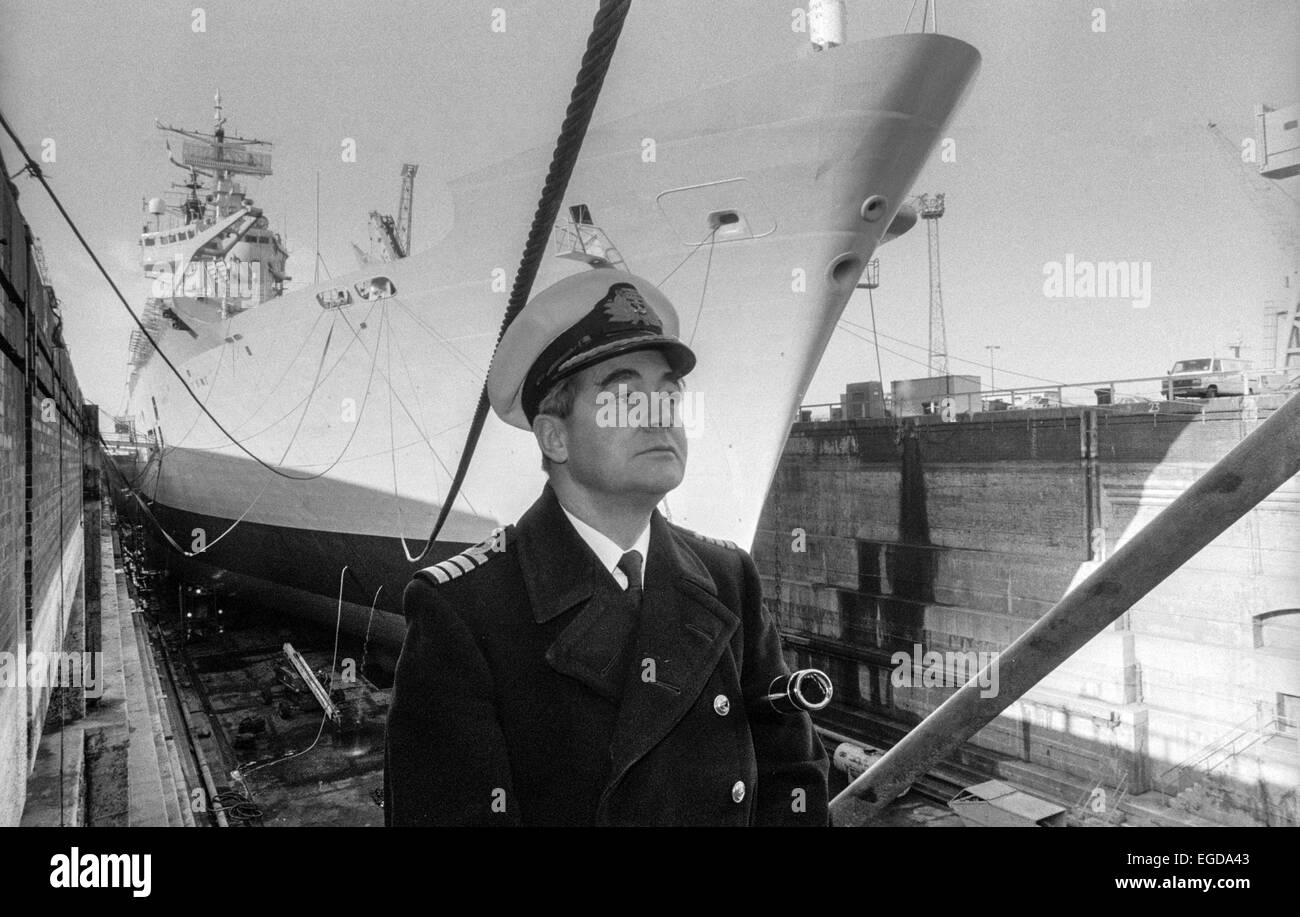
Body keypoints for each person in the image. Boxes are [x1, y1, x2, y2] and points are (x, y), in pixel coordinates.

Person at [384, 269, 828, 826]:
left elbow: (791, 772)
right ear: (555, 437)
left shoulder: (727, 574)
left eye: (670, 393)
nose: (660, 413)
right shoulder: (465, 611)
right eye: (623, 395)